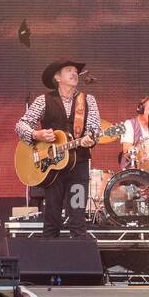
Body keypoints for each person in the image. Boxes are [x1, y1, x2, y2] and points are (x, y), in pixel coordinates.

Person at [15, 59, 100, 238]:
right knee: (52, 219)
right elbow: (21, 125)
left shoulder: (88, 100)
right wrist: (37, 135)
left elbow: (95, 129)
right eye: (69, 70)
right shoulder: (43, 100)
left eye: (75, 71)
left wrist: (90, 140)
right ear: (57, 77)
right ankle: (49, 262)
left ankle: (78, 263)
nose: (74, 73)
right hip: (52, 170)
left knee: (78, 219)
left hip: (79, 166)